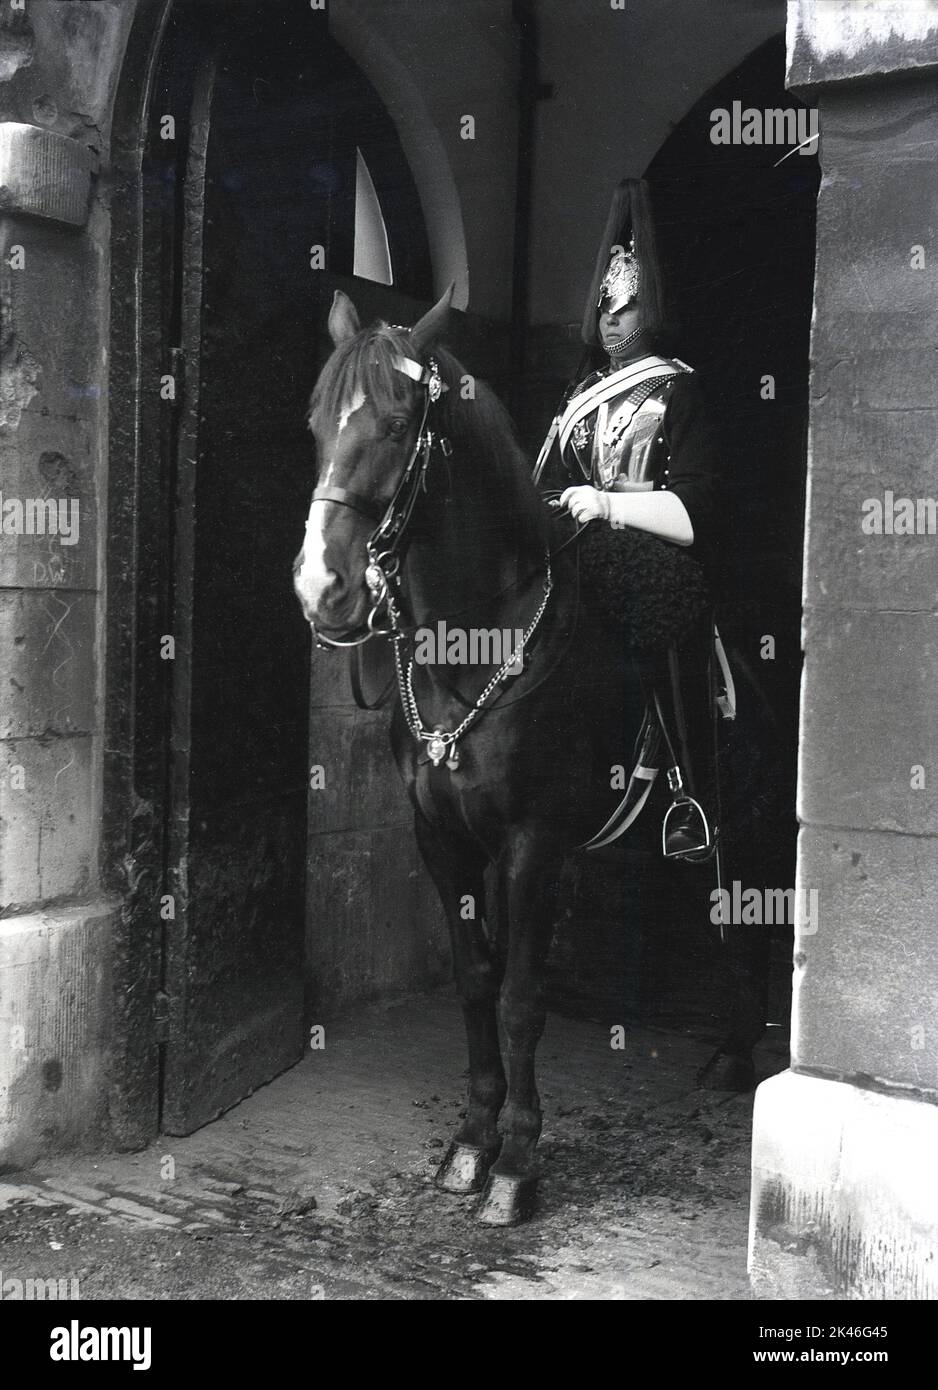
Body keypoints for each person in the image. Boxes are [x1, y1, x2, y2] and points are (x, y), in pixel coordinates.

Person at [536, 178, 724, 860]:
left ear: (653, 308)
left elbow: (696, 508)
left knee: (664, 597)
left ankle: (688, 795)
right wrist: (560, 505)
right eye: (605, 308)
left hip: (653, 550)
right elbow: (551, 482)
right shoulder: (578, 397)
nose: (613, 321)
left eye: (628, 306)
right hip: (578, 544)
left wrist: (611, 504)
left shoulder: (679, 390)